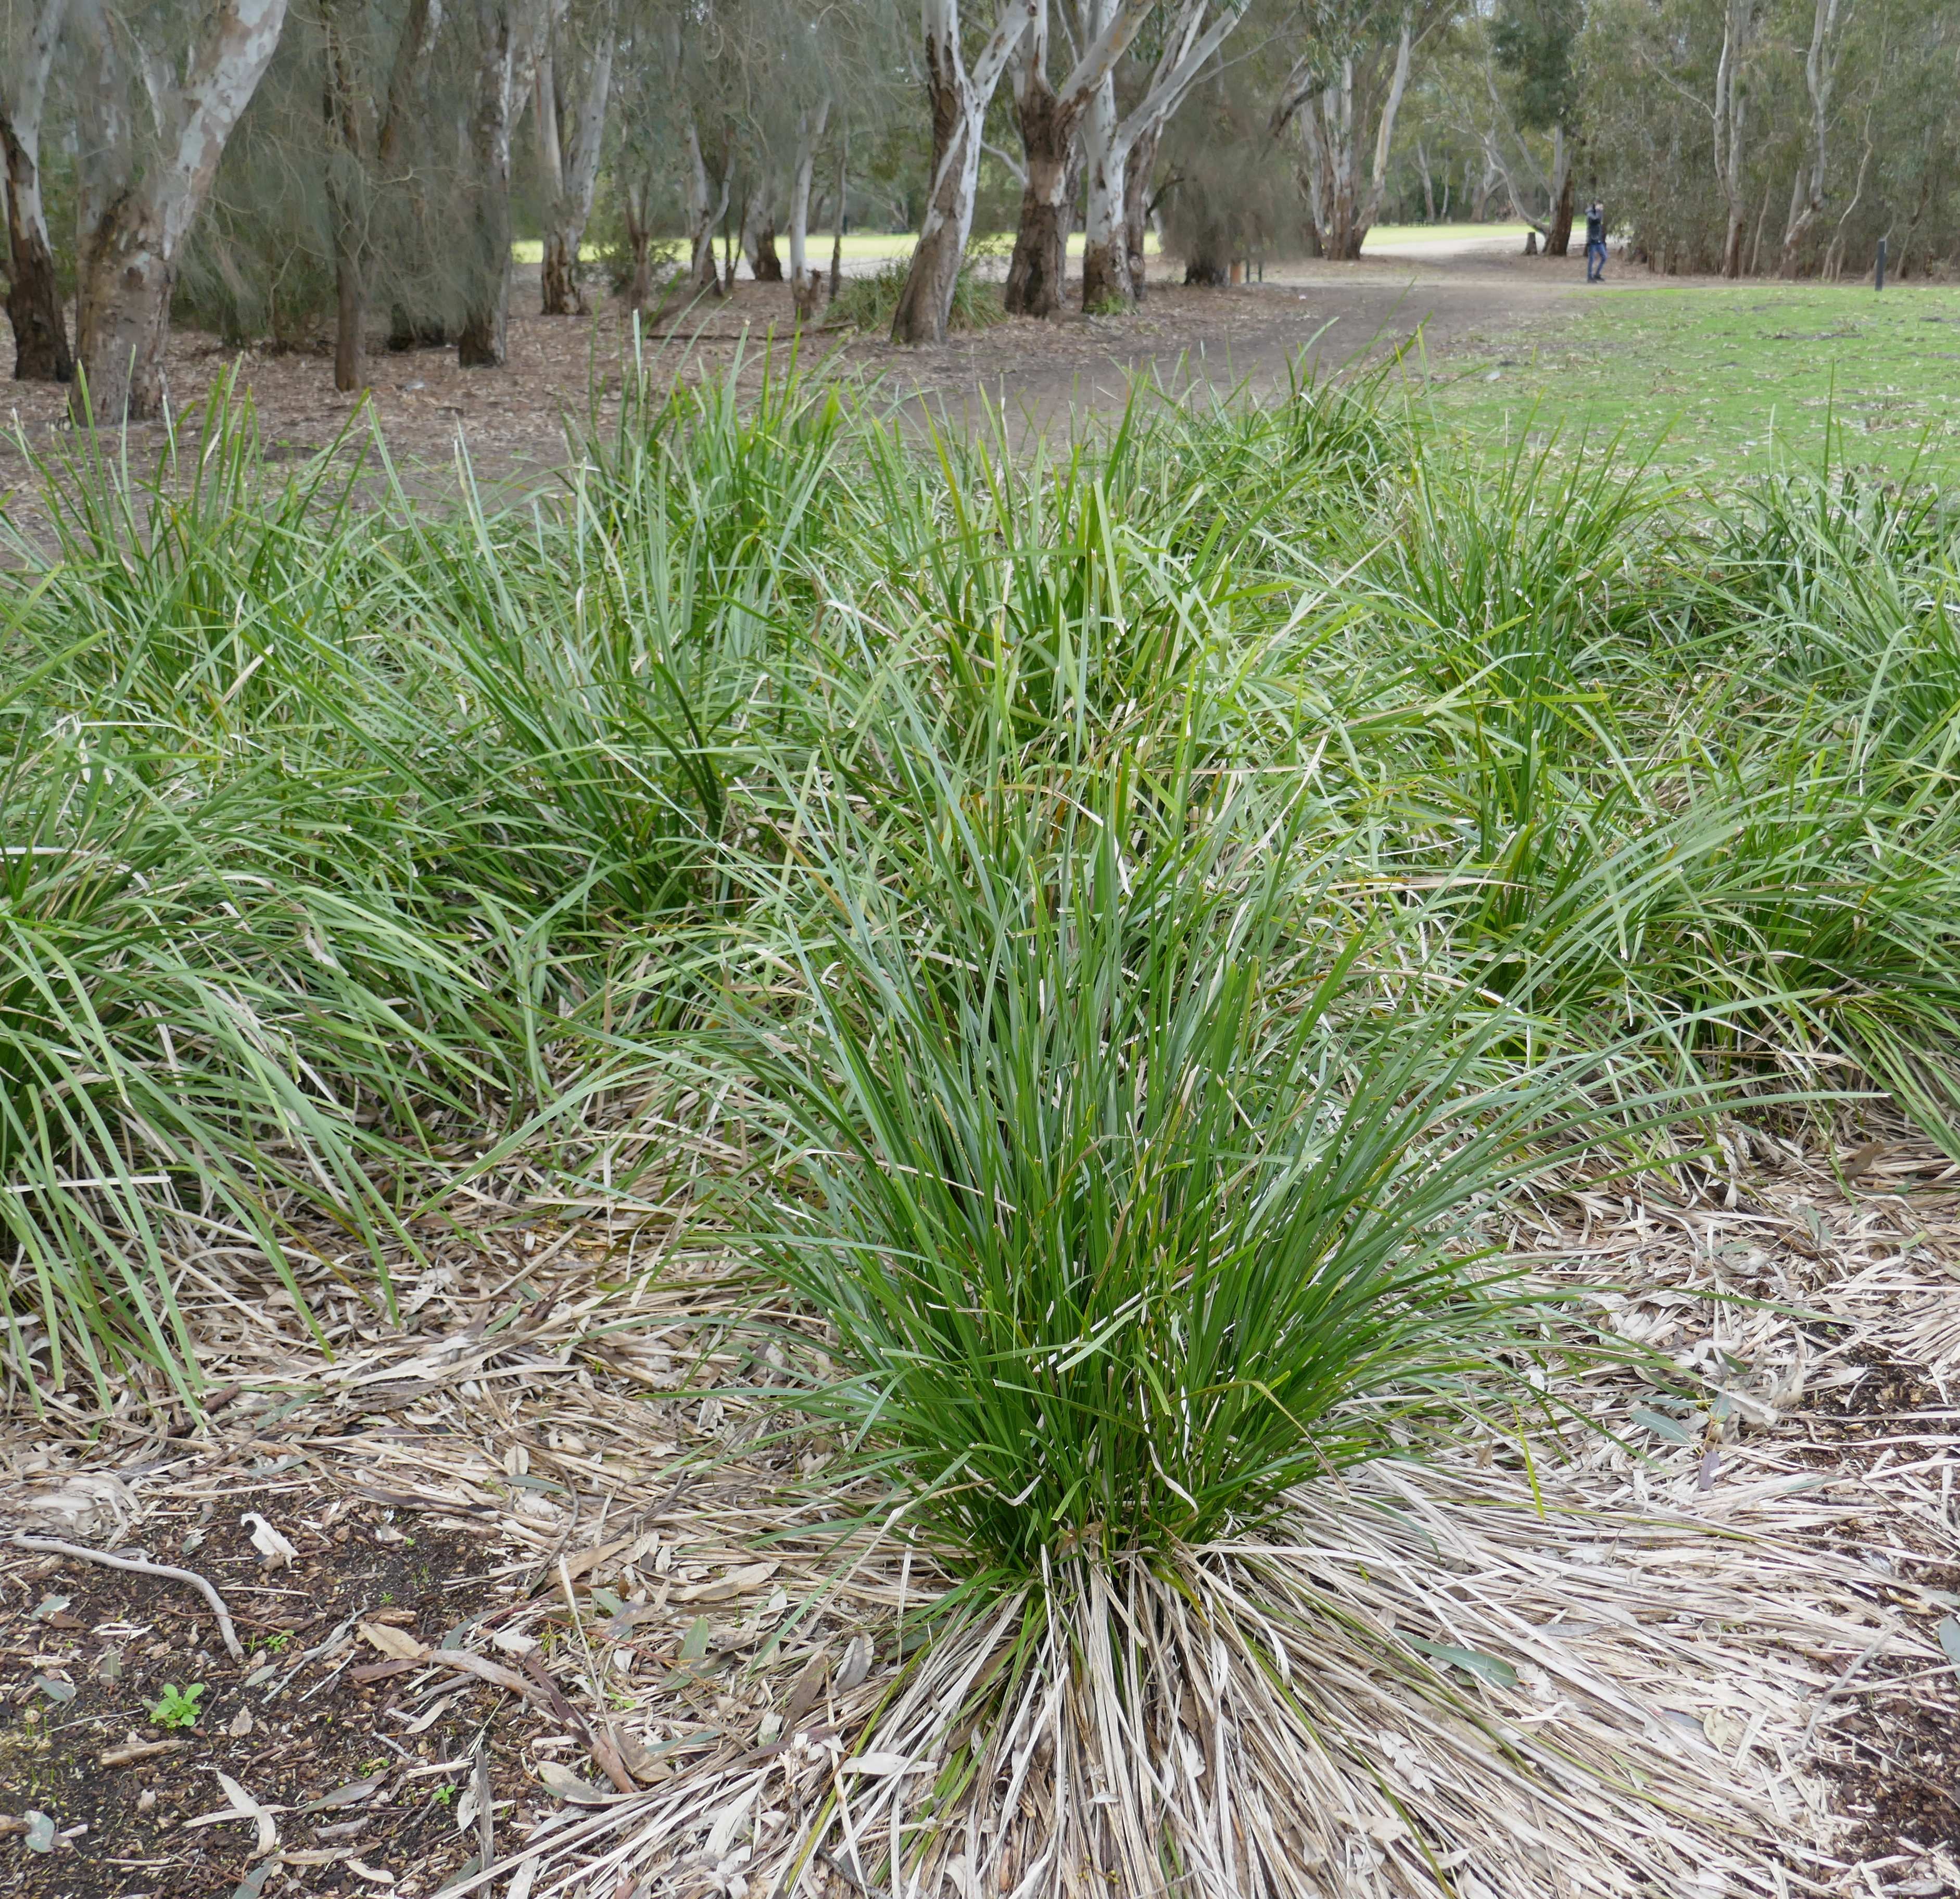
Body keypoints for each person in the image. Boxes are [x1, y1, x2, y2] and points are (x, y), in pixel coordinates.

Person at [1585, 201, 1608, 282]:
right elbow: (1596, 220)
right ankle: (1589, 277)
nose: (1602, 209)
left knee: (1604, 257)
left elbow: (1599, 221)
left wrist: (1599, 212)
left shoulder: (1598, 213)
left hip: (1598, 240)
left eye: (1602, 208)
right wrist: (1598, 211)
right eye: (1600, 207)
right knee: (1592, 259)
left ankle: (1597, 274)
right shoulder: (1590, 214)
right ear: (1596, 206)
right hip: (1592, 240)